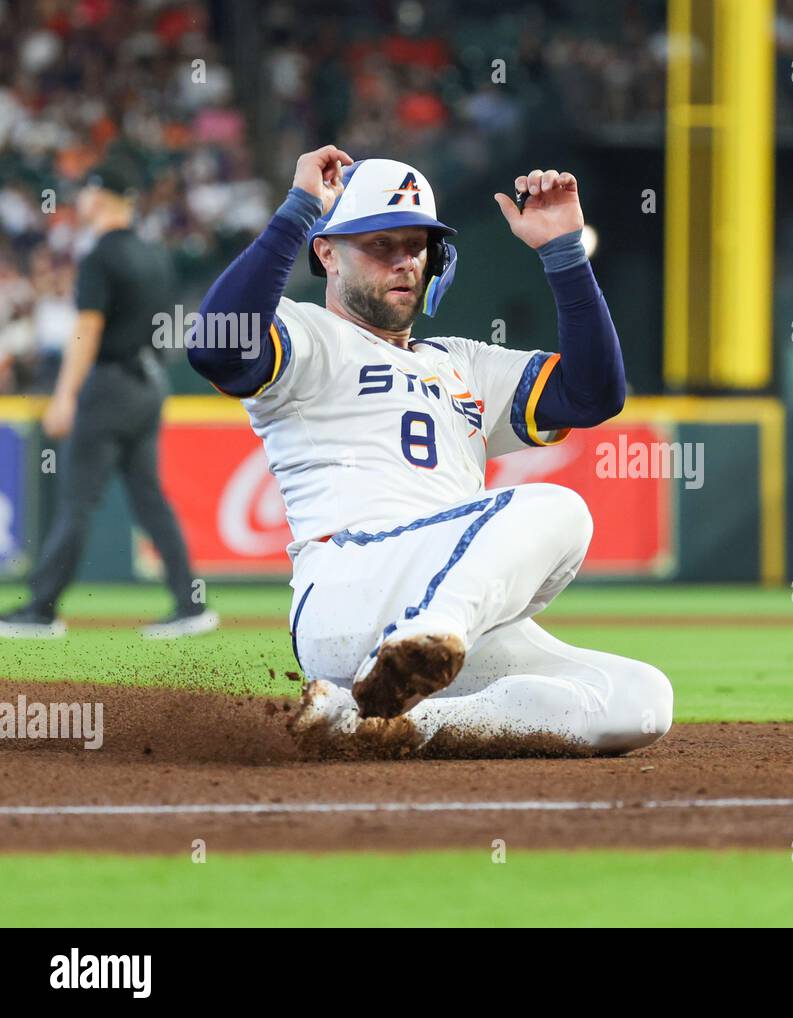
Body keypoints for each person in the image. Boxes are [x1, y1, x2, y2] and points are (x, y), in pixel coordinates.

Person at [187, 146, 672, 754]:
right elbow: (214, 347)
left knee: (641, 698)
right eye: (379, 245)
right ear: (327, 253)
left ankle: (401, 723)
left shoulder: (462, 361)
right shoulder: (309, 334)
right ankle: (427, 638)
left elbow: (594, 394)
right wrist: (298, 209)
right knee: (561, 509)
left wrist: (564, 253)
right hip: (351, 586)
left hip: (447, 595)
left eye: (415, 245)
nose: (403, 262)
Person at [0, 161, 218, 639]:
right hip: (149, 383)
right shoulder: (155, 253)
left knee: (76, 499)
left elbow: (88, 328)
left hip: (109, 387)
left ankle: (40, 609)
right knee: (150, 499)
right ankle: (190, 603)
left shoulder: (100, 254)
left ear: (99, 197)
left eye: (86, 193)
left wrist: (64, 395)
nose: (80, 200)